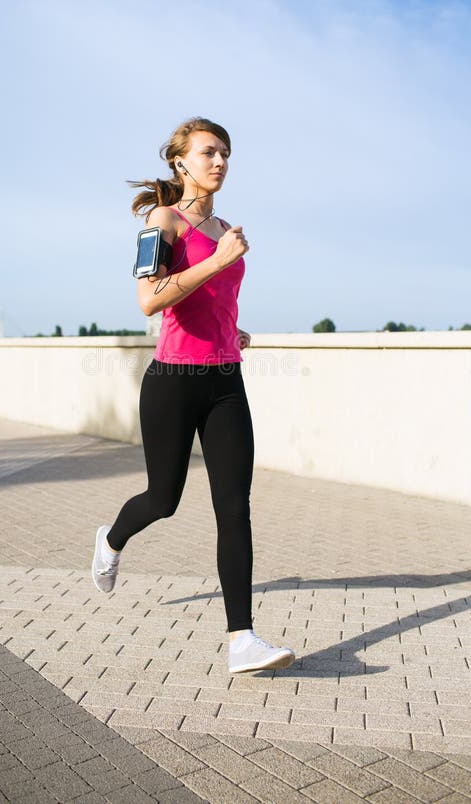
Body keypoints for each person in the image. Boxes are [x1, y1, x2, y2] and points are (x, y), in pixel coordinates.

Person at [92, 117, 295, 674]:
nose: (220, 162)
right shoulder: (164, 220)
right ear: (180, 162)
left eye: (226, 153)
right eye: (209, 152)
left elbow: (212, 301)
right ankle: (110, 540)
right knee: (164, 500)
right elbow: (149, 301)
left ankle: (242, 640)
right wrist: (216, 261)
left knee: (235, 508)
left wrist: (234, 331)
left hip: (225, 379)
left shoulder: (226, 225)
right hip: (173, 382)